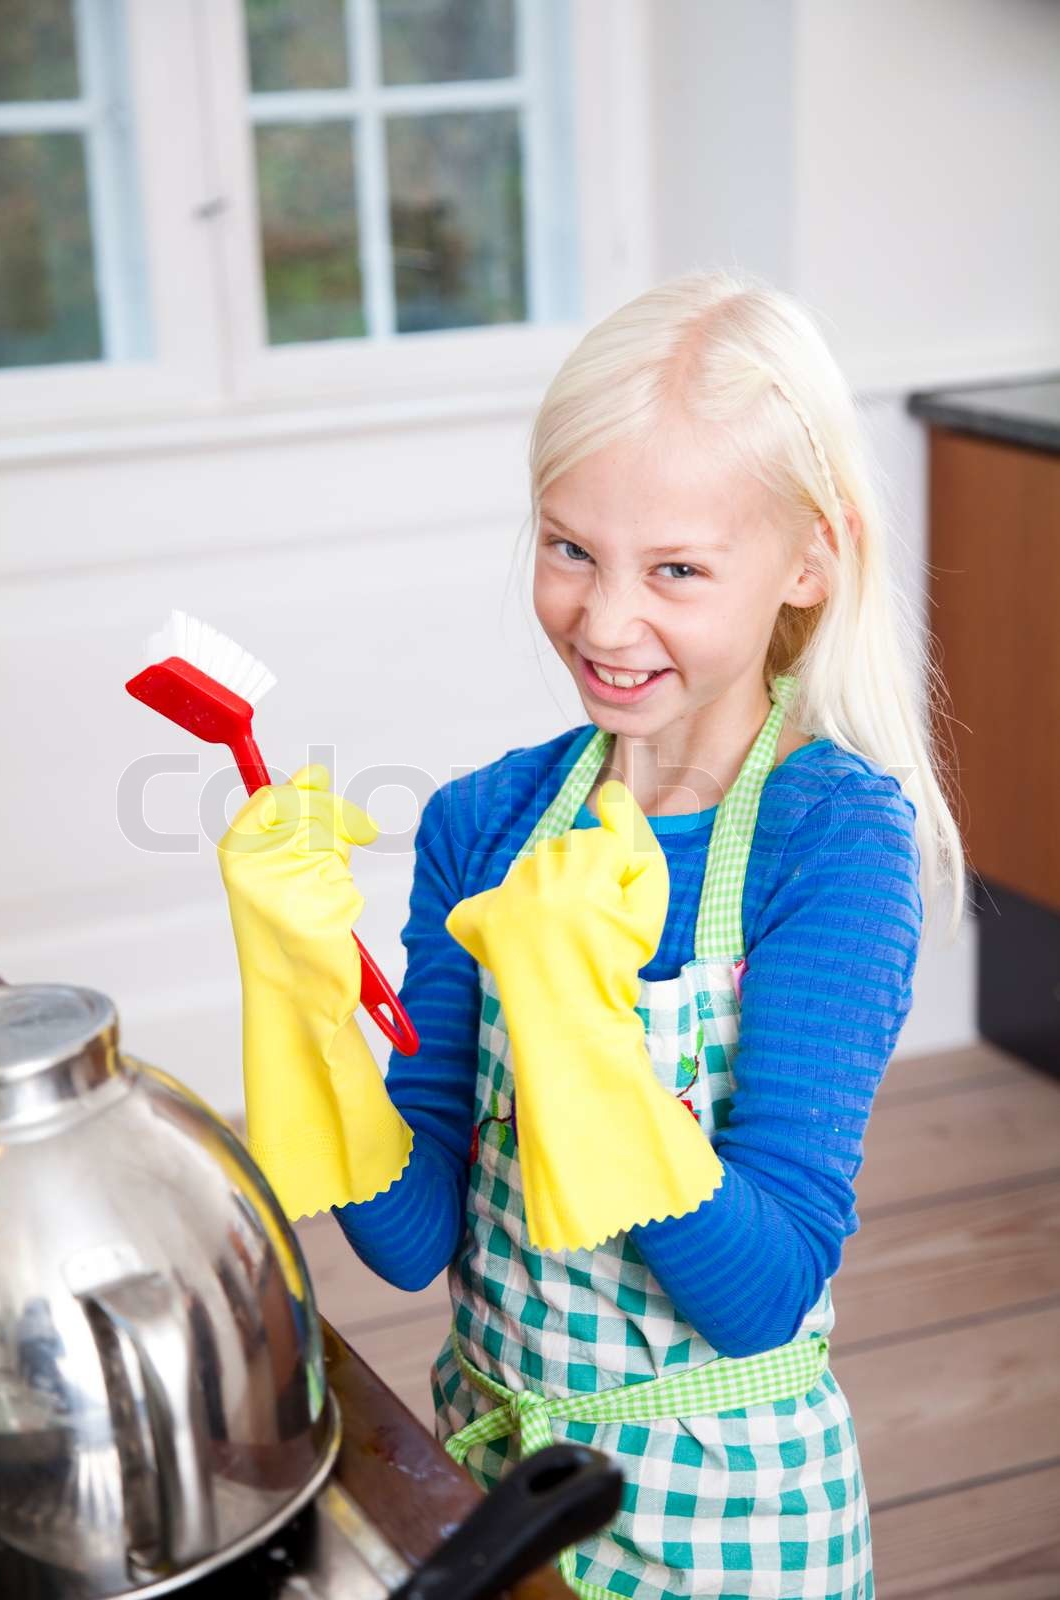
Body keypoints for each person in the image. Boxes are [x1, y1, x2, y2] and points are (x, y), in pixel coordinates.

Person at [218, 270, 966, 1600]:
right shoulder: (483, 823)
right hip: (494, 1472)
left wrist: (582, 1032)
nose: (606, 621)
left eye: (676, 569)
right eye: (571, 549)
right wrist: (312, 994)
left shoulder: (837, 845)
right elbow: (411, 1243)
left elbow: (762, 1292)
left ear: (810, 558)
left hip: (729, 1515)